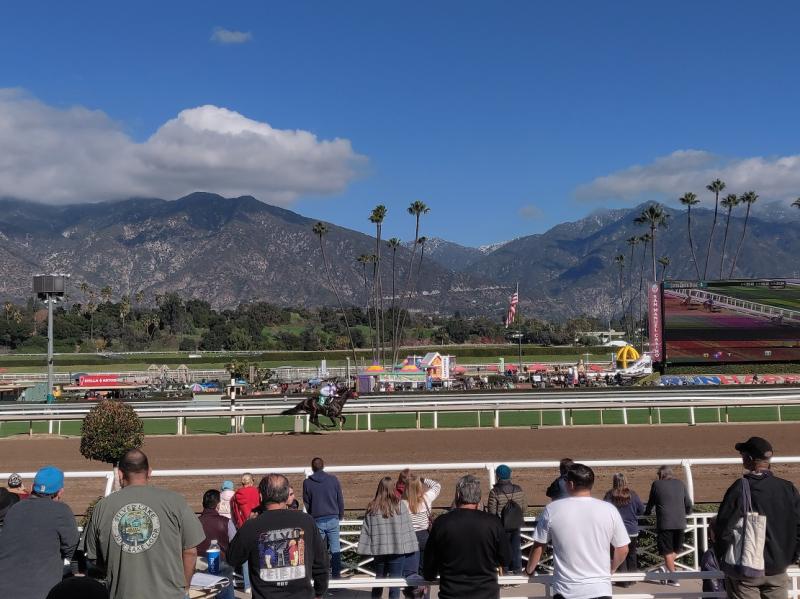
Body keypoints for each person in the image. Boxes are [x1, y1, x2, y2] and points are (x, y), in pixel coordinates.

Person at [84, 449, 206, 599]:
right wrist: (185, 587)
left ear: (120, 474)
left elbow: (94, 557)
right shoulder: (175, 502)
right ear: (149, 472)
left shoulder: (102, 507)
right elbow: (190, 552)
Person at [713, 436, 800, 598]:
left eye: (743, 455)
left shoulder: (740, 487)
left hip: (746, 570)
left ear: (749, 459)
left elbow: (724, 529)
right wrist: (790, 556)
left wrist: (722, 557)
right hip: (779, 569)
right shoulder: (788, 488)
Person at [526, 463, 630, 599]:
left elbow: (539, 546)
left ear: (570, 484)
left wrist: (529, 570)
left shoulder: (552, 509)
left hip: (566, 590)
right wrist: (611, 569)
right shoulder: (609, 509)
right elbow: (623, 549)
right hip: (600, 589)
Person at [228, 473, 329, 599]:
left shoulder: (252, 525)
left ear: (260, 496)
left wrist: (246, 525)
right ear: (287, 496)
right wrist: (319, 592)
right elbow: (321, 563)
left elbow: (232, 558)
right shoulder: (306, 521)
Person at [423, 475, 510, 599]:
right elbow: (505, 558)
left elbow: (429, 566)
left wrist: (431, 575)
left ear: (458, 496)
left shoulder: (442, 523)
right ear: (479, 497)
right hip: (486, 594)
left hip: (452, 594)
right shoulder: (493, 523)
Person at [0, 466, 80, 599]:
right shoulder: (61, 511)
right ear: (60, 492)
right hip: (42, 592)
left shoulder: (15, 509)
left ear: (32, 487)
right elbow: (72, 550)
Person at [357, 476, 418, 599]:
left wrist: (364, 548)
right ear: (392, 488)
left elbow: (366, 531)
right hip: (397, 550)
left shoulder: (372, 507)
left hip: (379, 550)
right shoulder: (399, 506)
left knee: (379, 579)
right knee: (395, 582)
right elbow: (407, 530)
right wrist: (412, 547)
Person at [644, 465, 693, 586]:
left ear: (661, 475)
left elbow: (651, 502)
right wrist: (687, 513)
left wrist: (646, 513)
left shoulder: (657, 484)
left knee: (667, 551)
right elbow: (688, 503)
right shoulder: (680, 484)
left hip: (665, 523)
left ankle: (673, 577)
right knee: (676, 550)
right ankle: (668, 570)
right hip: (680, 522)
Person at [303, 457, 346, 579]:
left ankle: (317, 576)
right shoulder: (333, 480)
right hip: (333, 518)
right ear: (323, 466)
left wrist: (312, 515)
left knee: (316, 550)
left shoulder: (307, 483)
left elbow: (307, 502)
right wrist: (340, 515)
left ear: (312, 468)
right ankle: (336, 577)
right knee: (335, 550)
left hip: (317, 519)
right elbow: (340, 499)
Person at [603, 473, 645, 586]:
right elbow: (641, 510)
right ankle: (632, 579)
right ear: (626, 481)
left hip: (616, 531)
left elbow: (604, 511)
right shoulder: (633, 495)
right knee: (631, 554)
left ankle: (624, 580)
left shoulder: (609, 495)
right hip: (632, 530)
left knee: (618, 555)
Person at [486, 464, 527, 574]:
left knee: (503, 550)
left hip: (501, 525)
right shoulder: (518, 489)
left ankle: (505, 573)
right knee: (516, 548)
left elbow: (492, 512)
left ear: (497, 476)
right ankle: (518, 572)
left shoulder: (494, 492)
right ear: (510, 475)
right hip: (516, 523)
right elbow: (524, 507)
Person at [198, 489, 236, 599]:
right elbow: (234, 543)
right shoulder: (226, 522)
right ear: (218, 504)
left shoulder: (195, 522)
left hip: (200, 566)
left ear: (203, 503)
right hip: (222, 564)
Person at [401, 474, 441, 571]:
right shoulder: (427, 498)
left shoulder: (401, 503)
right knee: (424, 568)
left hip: (408, 537)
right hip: (424, 536)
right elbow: (437, 485)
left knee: (410, 569)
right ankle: (424, 586)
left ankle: (412, 586)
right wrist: (423, 479)